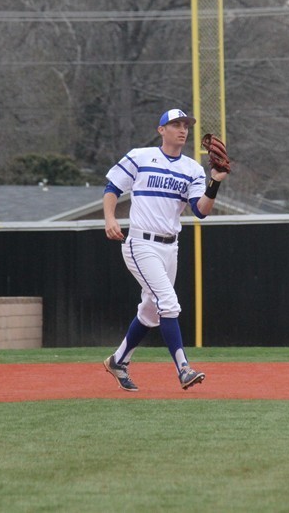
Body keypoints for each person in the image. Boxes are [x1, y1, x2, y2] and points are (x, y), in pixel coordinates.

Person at [101, 108, 228, 392]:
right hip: (140, 243)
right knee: (168, 304)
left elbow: (200, 211)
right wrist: (110, 218)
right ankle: (184, 368)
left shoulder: (193, 169)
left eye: (185, 125)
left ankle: (118, 361)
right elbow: (112, 188)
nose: (182, 129)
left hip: (171, 246)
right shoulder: (141, 156)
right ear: (161, 130)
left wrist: (215, 183)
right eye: (175, 124)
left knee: (150, 312)